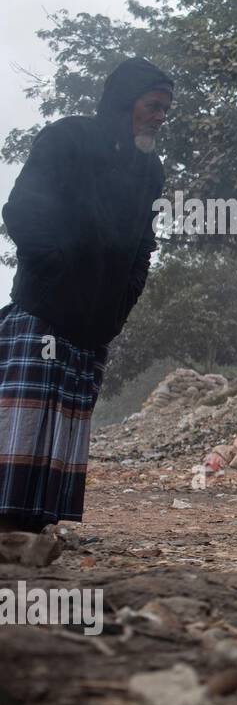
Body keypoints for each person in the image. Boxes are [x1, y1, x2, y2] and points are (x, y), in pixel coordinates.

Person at [0, 58, 173, 557]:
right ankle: (6, 525)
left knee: (65, 423)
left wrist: (125, 294)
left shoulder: (149, 170)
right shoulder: (66, 139)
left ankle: (35, 527)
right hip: (44, 309)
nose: (160, 116)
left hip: (96, 321)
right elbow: (23, 209)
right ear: (125, 101)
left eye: (166, 109)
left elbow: (144, 241)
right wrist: (56, 266)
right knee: (26, 421)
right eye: (153, 106)